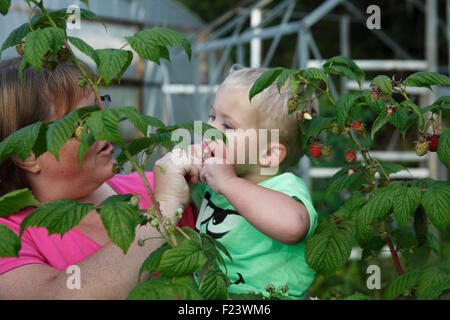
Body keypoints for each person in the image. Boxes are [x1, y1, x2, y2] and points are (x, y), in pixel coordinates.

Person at [0, 57, 200, 299]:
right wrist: (164, 208)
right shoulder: (10, 236)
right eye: (83, 122)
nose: (107, 127)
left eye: (100, 107)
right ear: (28, 154)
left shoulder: (158, 183)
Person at [155, 67, 318, 299]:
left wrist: (229, 183)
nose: (209, 129)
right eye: (212, 117)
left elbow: (294, 226)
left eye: (228, 126)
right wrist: (181, 171)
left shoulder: (283, 186)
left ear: (268, 154)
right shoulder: (216, 177)